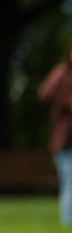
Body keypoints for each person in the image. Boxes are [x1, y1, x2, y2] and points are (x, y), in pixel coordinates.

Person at [38, 40, 72, 227]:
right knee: (70, 179)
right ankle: (68, 221)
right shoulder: (61, 74)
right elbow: (45, 93)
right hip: (66, 140)